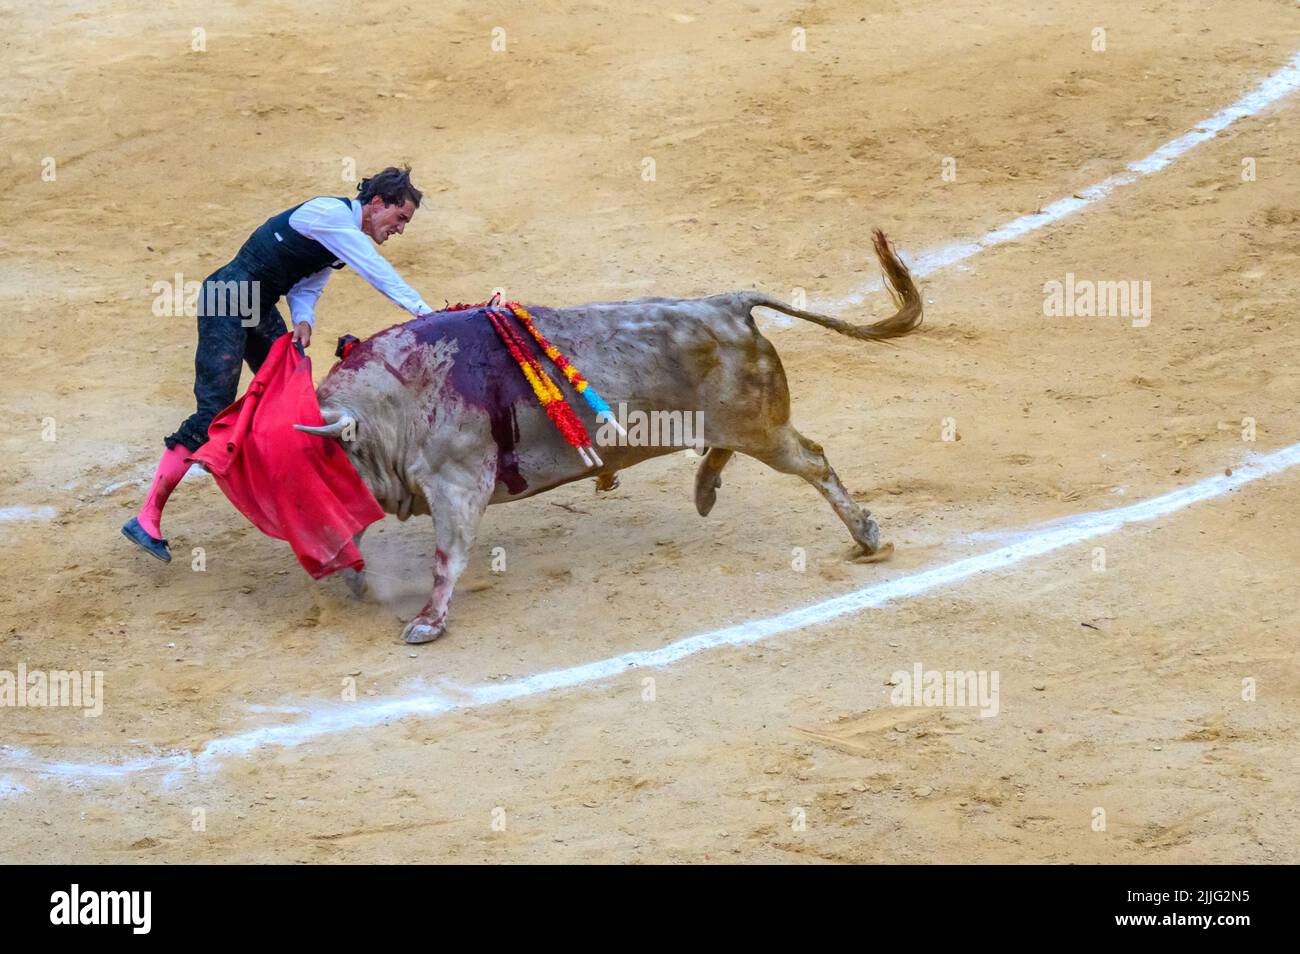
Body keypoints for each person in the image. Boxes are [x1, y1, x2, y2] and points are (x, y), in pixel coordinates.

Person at [122, 165, 436, 562]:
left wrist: (304, 318)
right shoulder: (333, 216)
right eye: (400, 217)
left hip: (255, 305)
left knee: (295, 398)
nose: (400, 229)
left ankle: (309, 507)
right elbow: (376, 272)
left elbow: (309, 280)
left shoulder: (340, 230)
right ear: (376, 203)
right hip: (227, 297)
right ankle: (147, 517)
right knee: (213, 413)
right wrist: (425, 315)